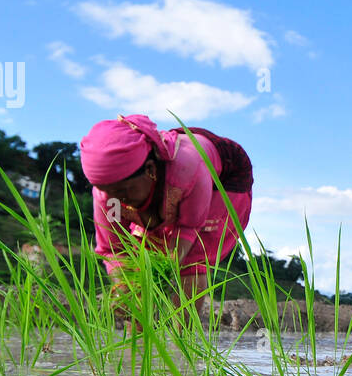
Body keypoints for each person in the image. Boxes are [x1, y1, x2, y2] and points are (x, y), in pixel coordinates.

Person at [79, 114, 253, 321]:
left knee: (189, 260)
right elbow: (113, 248)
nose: (117, 200)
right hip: (168, 185)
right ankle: (140, 339)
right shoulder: (108, 196)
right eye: (109, 193)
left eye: (124, 191)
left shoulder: (188, 169)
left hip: (223, 181)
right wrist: (124, 290)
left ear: (150, 170)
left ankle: (184, 343)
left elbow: (188, 228)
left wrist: (165, 271)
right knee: (141, 256)